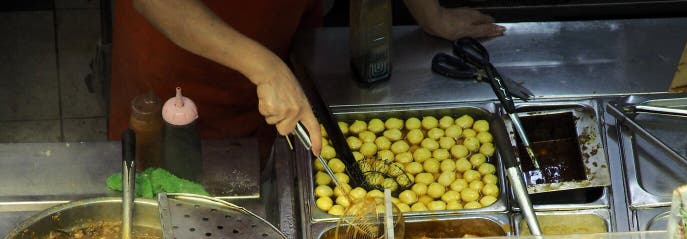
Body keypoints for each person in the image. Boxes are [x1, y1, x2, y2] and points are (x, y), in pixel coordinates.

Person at [108, 0, 505, 163]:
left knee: (259, 177)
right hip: (181, 62)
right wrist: (264, 67)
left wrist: (429, 12)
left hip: (276, 36)